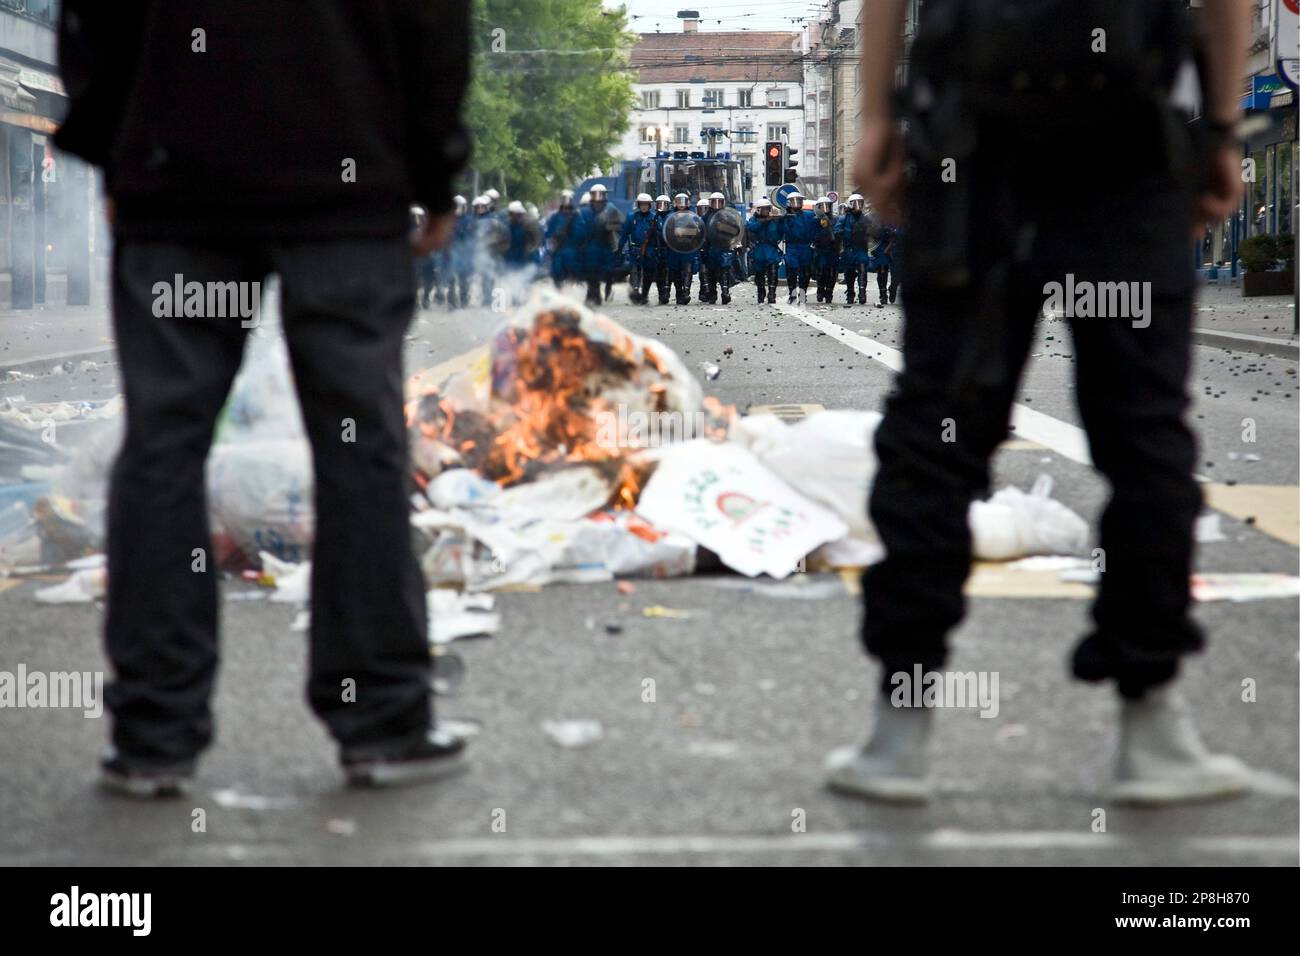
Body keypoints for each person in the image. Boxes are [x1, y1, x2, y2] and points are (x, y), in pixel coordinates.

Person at [826, 0, 1254, 805]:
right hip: (1129, 141)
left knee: (937, 430)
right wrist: (1222, 132)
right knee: (1144, 434)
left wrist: (878, 115)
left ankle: (899, 730)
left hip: (974, 139)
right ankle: (1152, 725)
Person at [54, 0, 473, 794]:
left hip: (179, 178)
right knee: (359, 442)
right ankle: (383, 722)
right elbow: (434, 24)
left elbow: (92, 18)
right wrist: (434, 172)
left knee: (165, 440)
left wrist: (116, 151)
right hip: (345, 176)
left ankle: (152, 735)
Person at [579, 184, 617, 306]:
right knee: (590, 272)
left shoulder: (609, 209)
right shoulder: (583, 213)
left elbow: (616, 227)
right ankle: (593, 295)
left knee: (605, 271)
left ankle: (602, 291)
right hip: (588, 246)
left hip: (605, 245)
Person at [619, 193, 658, 305]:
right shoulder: (632, 217)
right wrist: (620, 247)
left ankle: (644, 295)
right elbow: (625, 234)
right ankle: (635, 291)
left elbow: (659, 235)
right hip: (635, 249)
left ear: (649, 205)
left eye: (646, 204)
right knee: (634, 271)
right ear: (638, 205)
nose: (644, 206)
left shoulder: (654, 218)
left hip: (649, 250)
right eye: (642, 204)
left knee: (648, 273)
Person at [836, 194, 874, 306]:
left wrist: (871, 234)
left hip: (861, 248)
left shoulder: (866, 219)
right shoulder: (844, 218)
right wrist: (839, 234)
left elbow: (873, 232)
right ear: (850, 204)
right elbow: (836, 230)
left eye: (860, 203)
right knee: (849, 273)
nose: (859, 206)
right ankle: (850, 292)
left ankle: (862, 292)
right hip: (849, 249)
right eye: (856, 203)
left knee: (862, 269)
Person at [781, 192, 817, 305]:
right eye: (794, 201)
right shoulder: (785, 218)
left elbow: (818, 225)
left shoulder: (809, 215)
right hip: (792, 246)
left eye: (799, 200)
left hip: (805, 246)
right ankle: (792, 294)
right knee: (791, 270)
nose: (797, 203)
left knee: (805, 272)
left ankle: (802, 294)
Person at [745, 198, 783, 305]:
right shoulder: (753, 219)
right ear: (758, 210)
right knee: (759, 274)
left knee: (773, 271)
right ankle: (761, 293)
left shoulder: (774, 221)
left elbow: (780, 232)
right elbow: (751, 227)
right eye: (764, 209)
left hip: (771, 249)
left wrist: (779, 221)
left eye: (768, 209)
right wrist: (764, 222)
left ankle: (772, 293)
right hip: (759, 249)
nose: (766, 211)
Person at [664, 194, 697, 305]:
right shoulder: (670, 216)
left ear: (688, 203)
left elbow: (697, 231)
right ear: (675, 203)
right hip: (674, 248)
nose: (681, 204)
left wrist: (682, 232)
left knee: (687, 270)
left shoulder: (692, 216)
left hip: (688, 248)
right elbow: (667, 231)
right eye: (679, 201)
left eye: (684, 201)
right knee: (676, 272)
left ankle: (686, 293)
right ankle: (679, 294)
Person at [701, 192, 734, 306]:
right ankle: (712, 295)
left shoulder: (727, 215)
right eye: (714, 202)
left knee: (724, 271)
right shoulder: (707, 216)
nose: (716, 205)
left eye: (719, 202)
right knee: (711, 273)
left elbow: (735, 229)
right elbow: (700, 226)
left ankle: (725, 293)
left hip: (723, 247)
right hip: (710, 248)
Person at [544, 190, 580, 290]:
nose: (566, 202)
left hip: (572, 249)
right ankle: (560, 291)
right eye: (564, 199)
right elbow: (548, 233)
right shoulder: (556, 216)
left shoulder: (576, 216)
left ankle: (571, 289)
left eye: (568, 199)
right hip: (558, 249)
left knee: (573, 270)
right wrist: (553, 238)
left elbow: (580, 232)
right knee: (556, 271)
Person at [812, 196, 840, 303]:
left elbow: (838, 231)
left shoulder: (835, 219)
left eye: (827, 206)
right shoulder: (815, 219)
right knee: (821, 272)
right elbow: (811, 232)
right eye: (822, 206)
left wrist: (834, 234)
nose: (825, 208)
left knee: (832, 273)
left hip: (832, 250)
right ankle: (820, 290)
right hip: (820, 249)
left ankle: (829, 292)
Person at [651, 195, 673, 305]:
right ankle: (661, 294)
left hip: (669, 249)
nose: (662, 207)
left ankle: (666, 293)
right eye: (660, 204)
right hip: (657, 249)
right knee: (659, 273)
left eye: (665, 204)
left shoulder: (672, 217)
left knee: (670, 272)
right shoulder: (654, 218)